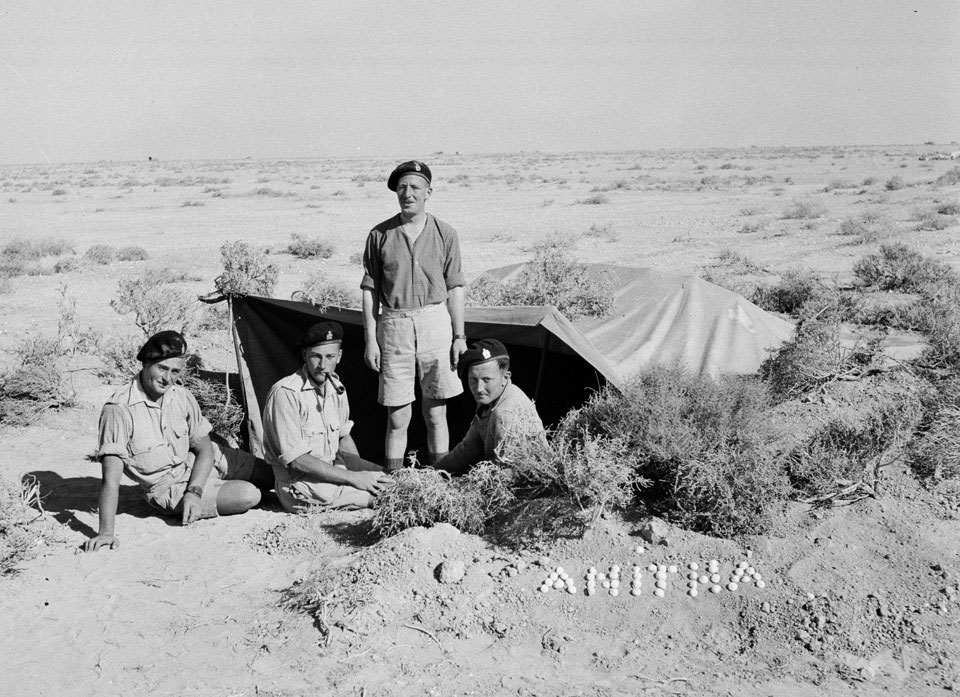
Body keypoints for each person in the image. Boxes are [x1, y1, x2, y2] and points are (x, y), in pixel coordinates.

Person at [84, 331, 270, 552]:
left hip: (202, 464)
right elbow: (111, 480)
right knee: (250, 495)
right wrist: (106, 532)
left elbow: (205, 449)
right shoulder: (119, 409)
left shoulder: (181, 396)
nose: (167, 378)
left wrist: (195, 491)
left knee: (274, 476)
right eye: (162, 368)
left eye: (175, 371)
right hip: (169, 487)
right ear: (146, 364)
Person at [361, 160, 467, 471]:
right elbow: (369, 291)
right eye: (402, 188)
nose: (408, 194)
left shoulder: (445, 233)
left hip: (436, 322)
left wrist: (459, 336)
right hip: (394, 325)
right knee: (398, 416)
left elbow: (455, 288)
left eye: (415, 188)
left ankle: (440, 480)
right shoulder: (379, 235)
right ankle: (393, 483)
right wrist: (371, 339)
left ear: (428, 192)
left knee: (436, 413)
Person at [261, 322, 393, 512]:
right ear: (305, 354)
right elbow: (297, 460)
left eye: (330, 356)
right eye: (316, 356)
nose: (323, 365)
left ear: (339, 357)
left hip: (334, 473)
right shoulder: (286, 393)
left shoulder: (336, 389)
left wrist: (367, 472)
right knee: (391, 496)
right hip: (301, 485)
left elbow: (343, 439)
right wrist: (355, 479)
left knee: (392, 481)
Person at [433, 339, 546, 474]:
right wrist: (432, 472)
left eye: (486, 380)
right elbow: (468, 448)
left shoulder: (505, 413)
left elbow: (509, 473)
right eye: (473, 380)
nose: (479, 388)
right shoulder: (490, 399)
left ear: (505, 377)